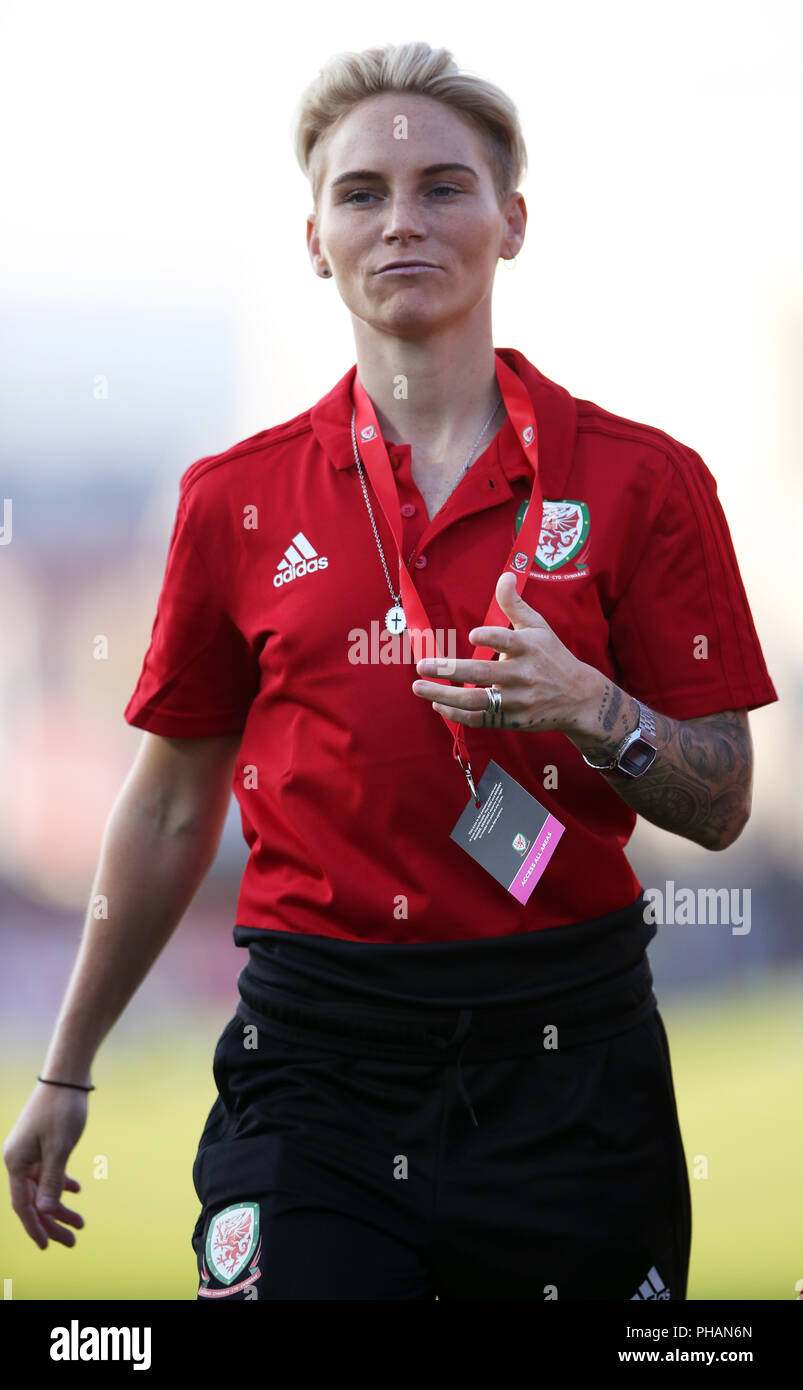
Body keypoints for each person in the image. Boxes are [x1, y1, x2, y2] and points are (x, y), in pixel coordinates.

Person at [3, 41, 778, 1302]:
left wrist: (591, 706)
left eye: (442, 186)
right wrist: (66, 1067)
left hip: (568, 1053)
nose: (400, 220)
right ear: (313, 235)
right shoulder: (231, 501)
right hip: (317, 1057)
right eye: (361, 192)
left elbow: (723, 795)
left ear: (510, 221)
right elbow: (165, 804)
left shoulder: (645, 482)